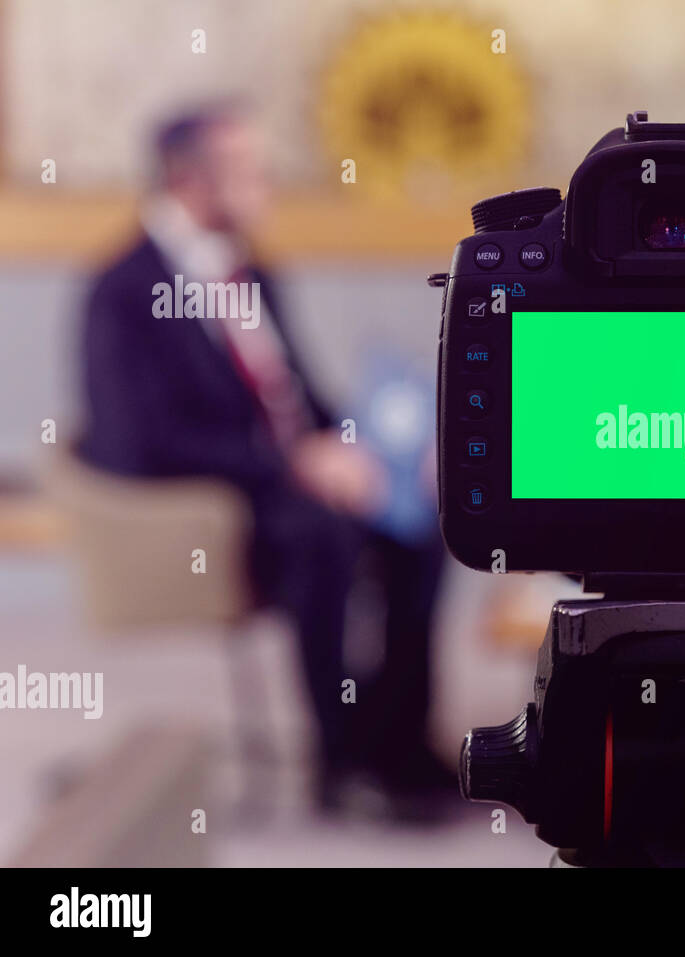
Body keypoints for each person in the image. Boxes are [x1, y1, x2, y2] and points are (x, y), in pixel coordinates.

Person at [77, 101, 452, 818]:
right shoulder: (123, 289)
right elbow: (141, 438)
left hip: (288, 477)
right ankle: (340, 761)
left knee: (421, 522)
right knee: (323, 533)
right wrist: (292, 463)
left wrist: (369, 447)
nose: (270, 187)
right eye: (253, 172)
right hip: (208, 499)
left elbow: (300, 397)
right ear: (193, 182)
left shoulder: (251, 270)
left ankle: (399, 744)